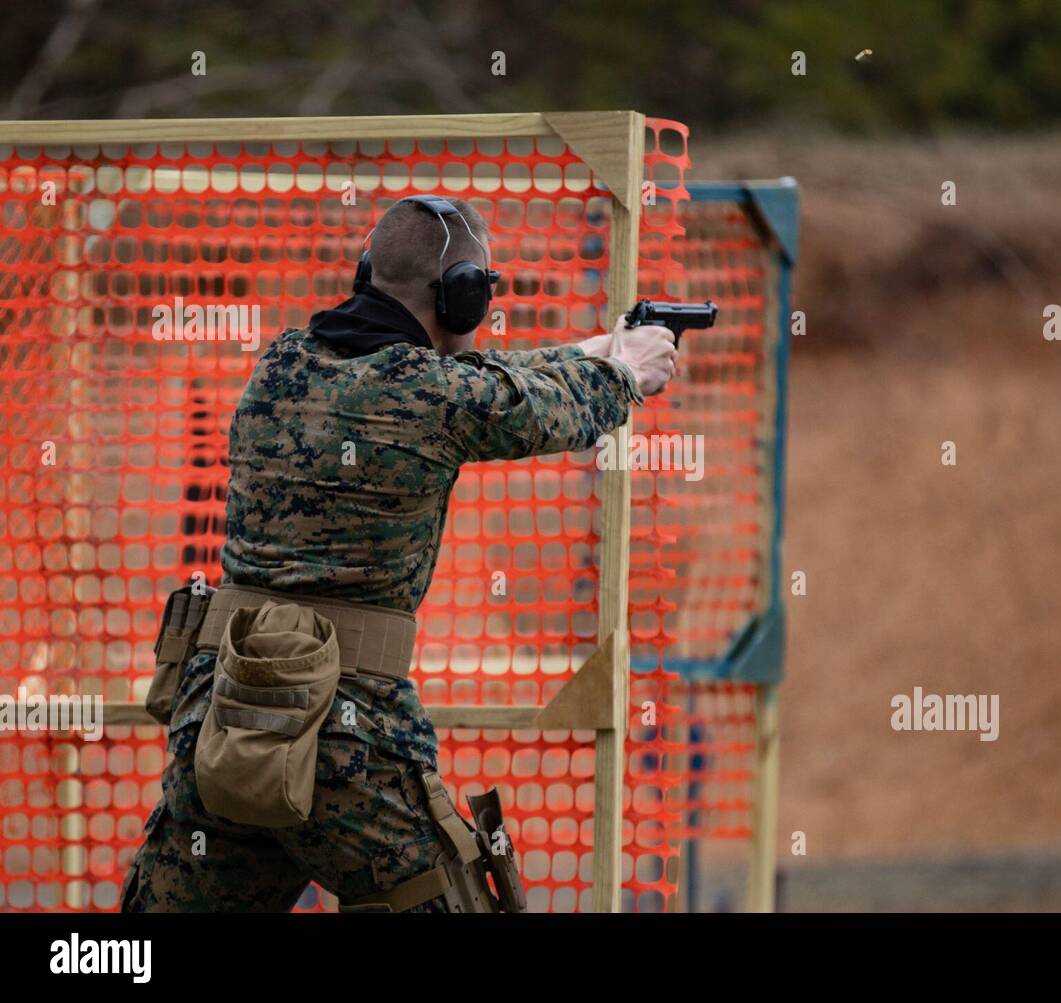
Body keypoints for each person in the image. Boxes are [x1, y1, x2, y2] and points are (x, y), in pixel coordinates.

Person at [121, 195, 678, 912]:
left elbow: (486, 385)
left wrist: (597, 349)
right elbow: (535, 410)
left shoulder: (280, 366)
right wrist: (624, 374)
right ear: (463, 296)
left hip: (224, 718)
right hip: (345, 740)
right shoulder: (432, 393)